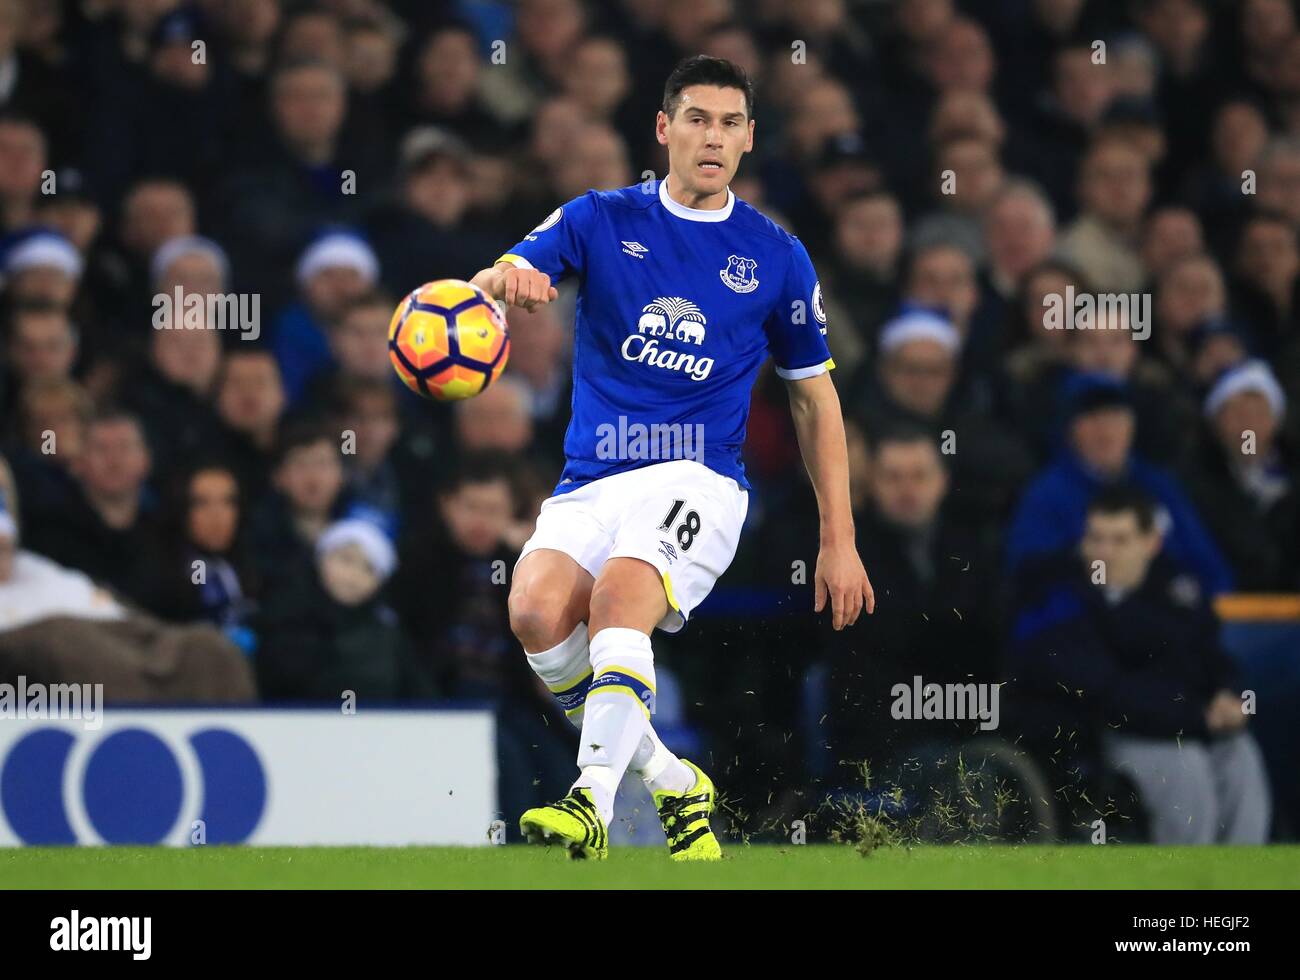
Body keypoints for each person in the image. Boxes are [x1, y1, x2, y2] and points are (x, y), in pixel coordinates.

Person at [466, 56, 874, 860]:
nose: (712, 137)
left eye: (729, 123)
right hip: (594, 475)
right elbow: (516, 263)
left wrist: (839, 538)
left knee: (621, 599)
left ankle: (590, 798)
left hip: (700, 479)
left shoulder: (775, 255)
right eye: (696, 118)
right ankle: (673, 780)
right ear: (664, 129)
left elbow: (813, 397)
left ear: (750, 139)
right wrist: (504, 281)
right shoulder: (598, 217)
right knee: (534, 614)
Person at [1008, 486, 1270, 843]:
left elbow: (1211, 655)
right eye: (1096, 539)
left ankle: (1243, 876)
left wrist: (1229, 695)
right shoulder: (1058, 596)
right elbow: (1106, 692)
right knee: (1185, 762)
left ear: (1151, 543)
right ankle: (1185, 878)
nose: (1104, 553)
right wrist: (1198, 718)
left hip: (1176, 722)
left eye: (1120, 540)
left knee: (1239, 753)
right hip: (1099, 733)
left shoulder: (1175, 588)